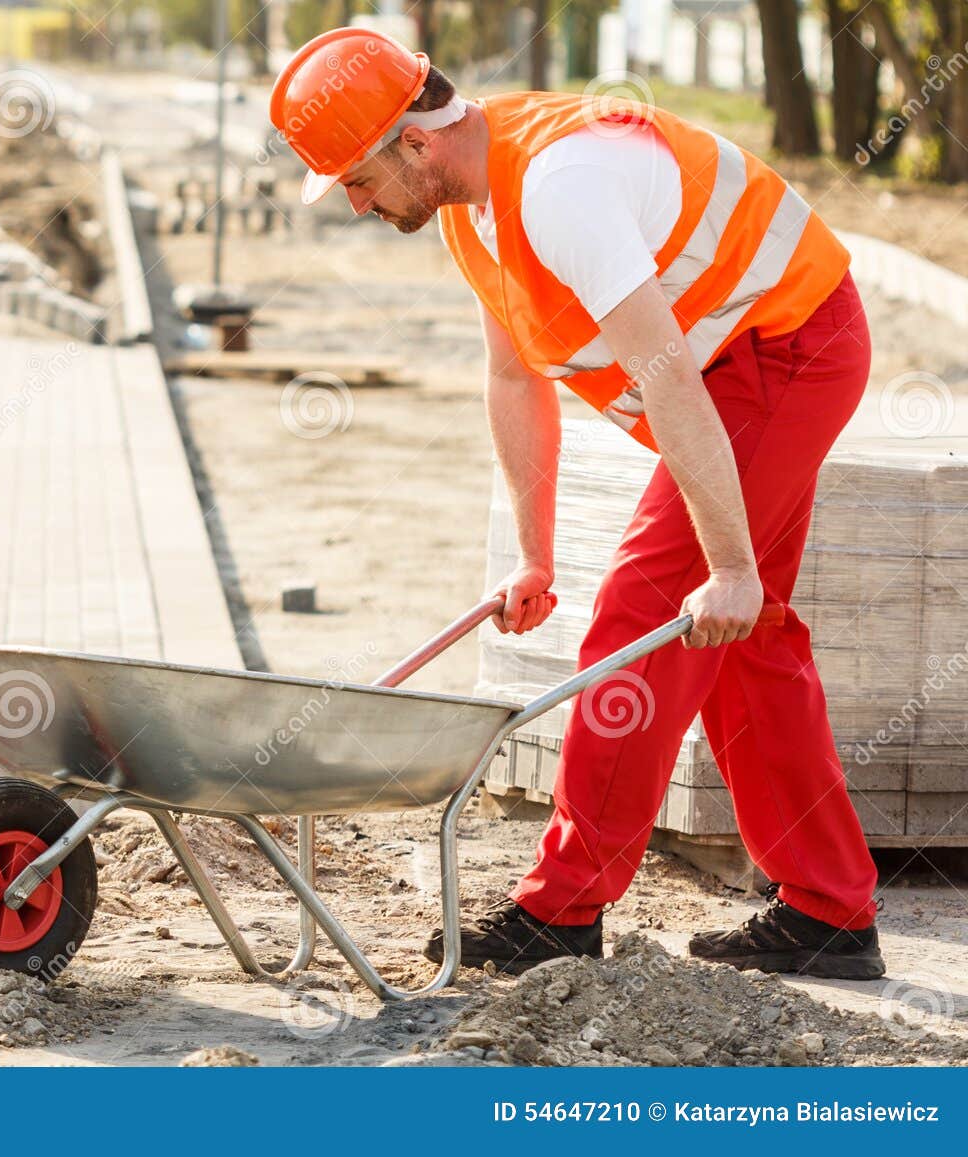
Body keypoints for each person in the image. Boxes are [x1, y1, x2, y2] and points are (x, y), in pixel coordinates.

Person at [270, 29, 883, 979]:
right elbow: (515, 378)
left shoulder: (560, 189)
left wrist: (726, 564)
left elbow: (668, 376)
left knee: (647, 612)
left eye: (357, 177)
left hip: (787, 345)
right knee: (743, 634)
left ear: (415, 143)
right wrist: (535, 554)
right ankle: (830, 913)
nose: (356, 203)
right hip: (738, 361)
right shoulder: (472, 208)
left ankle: (561, 910)